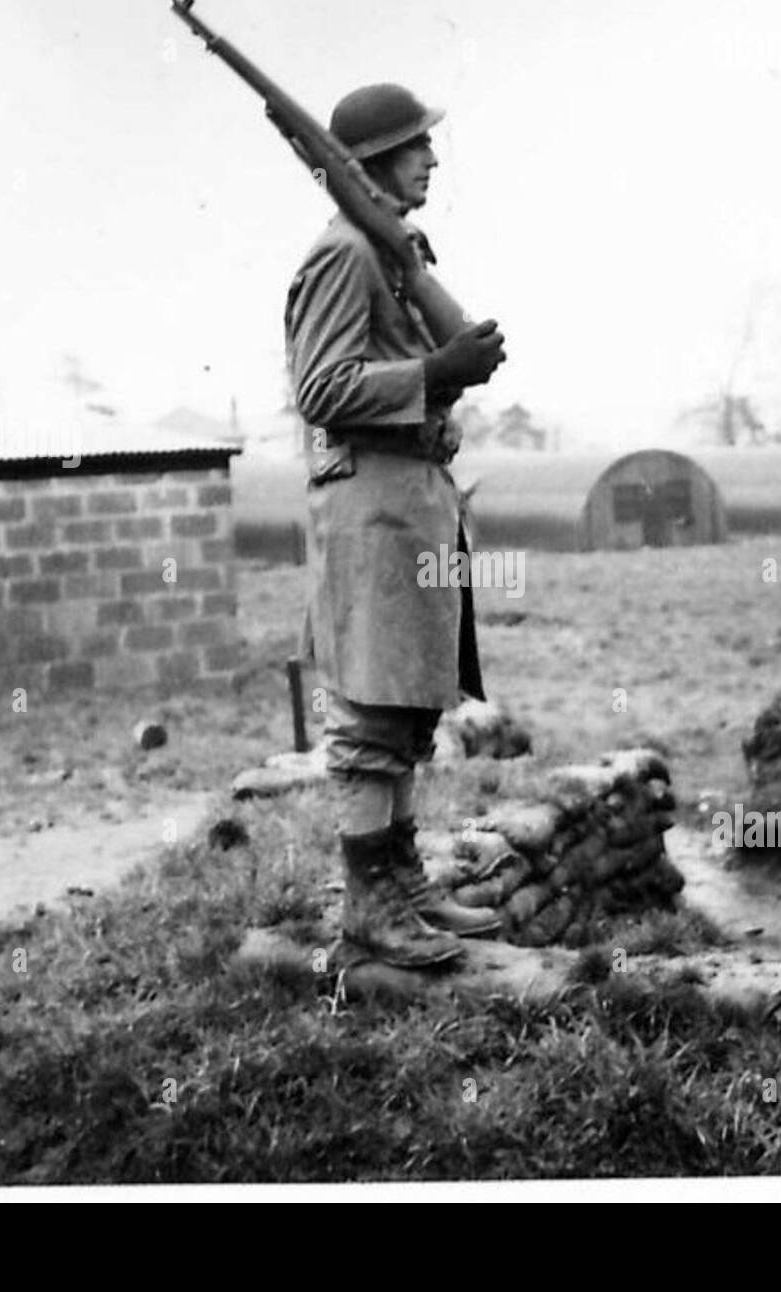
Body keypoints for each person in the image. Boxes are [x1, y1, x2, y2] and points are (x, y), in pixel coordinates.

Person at [284, 83, 507, 968]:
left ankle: (401, 885)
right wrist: (438, 367)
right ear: (370, 163)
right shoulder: (344, 254)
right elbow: (323, 390)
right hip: (371, 513)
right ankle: (368, 906)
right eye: (416, 145)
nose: (432, 159)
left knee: (407, 705)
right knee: (369, 715)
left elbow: (385, 374)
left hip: (409, 503)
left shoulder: (388, 252)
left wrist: (439, 399)